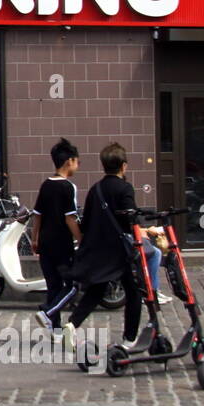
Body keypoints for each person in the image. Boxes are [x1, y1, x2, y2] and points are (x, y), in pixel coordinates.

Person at [62, 143, 143, 353]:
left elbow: (86, 221)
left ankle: (72, 324)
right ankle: (129, 339)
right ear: (123, 166)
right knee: (133, 292)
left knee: (97, 290)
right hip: (119, 251)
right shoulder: (125, 188)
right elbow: (129, 219)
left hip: (98, 248)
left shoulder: (95, 189)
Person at [31, 138, 82, 332]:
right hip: (62, 243)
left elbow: (37, 215)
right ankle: (48, 312)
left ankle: (55, 328)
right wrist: (81, 240)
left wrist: (35, 239)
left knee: (53, 284)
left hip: (45, 242)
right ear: (69, 161)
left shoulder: (46, 185)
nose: (77, 166)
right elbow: (71, 219)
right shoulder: (68, 187)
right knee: (71, 285)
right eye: (77, 162)